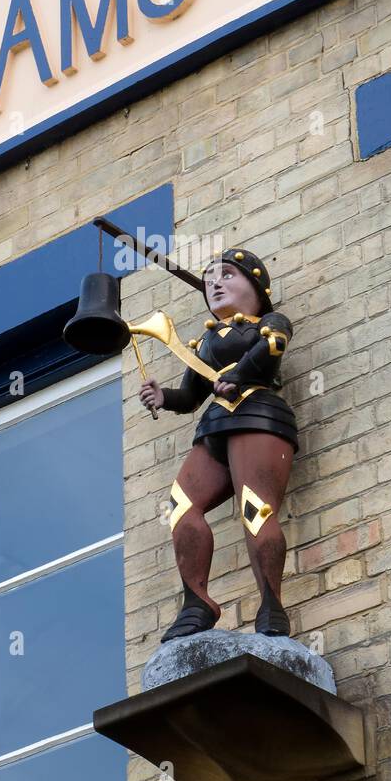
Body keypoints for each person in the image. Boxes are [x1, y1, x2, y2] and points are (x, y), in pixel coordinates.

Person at [139, 247, 298, 641]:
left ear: (257, 286)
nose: (215, 284)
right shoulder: (205, 343)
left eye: (228, 275)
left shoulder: (268, 321)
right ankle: (197, 601)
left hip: (258, 412)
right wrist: (164, 397)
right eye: (210, 279)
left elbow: (273, 345)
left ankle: (271, 605)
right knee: (180, 506)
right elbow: (193, 396)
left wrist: (241, 375)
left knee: (256, 509)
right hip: (214, 423)